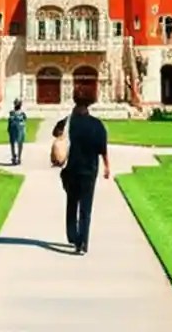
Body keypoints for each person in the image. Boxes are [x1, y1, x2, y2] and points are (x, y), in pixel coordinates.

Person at [61, 93, 110, 255]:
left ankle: (73, 236)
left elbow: (57, 134)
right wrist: (107, 166)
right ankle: (83, 242)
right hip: (90, 170)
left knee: (72, 204)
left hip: (73, 169)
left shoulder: (71, 122)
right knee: (86, 207)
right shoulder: (97, 125)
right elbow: (103, 149)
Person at [7, 99, 27, 165]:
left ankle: (15, 157)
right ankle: (17, 157)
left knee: (14, 144)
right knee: (19, 144)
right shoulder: (20, 113)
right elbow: (25, 120)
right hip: (18, 129)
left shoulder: (13, 113)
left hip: (15, 129)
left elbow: (10, 121)